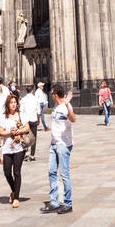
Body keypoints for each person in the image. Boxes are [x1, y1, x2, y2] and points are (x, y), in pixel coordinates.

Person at [42, 84, 75, 215]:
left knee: (64, 174)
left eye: (52, 94)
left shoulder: (66, 106)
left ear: (55, 95)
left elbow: (73, 119)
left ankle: (68, 203)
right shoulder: (56, 106)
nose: (51, 96)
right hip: (54, 144)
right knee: (51, 171)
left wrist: (67, 105)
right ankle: (54, 201)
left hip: (64, 144)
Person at [0, 90, 27, 208]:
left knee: (17, 172)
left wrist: (19, 131)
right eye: (11, 102)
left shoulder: (21, 115)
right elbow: (0, 132)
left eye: (15, 102)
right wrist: (10, 132)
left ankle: (17, 198)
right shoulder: (3, 117)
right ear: (8, 104)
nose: (14, 104)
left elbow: (27, 127)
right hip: (7, 148)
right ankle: (14, 190)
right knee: (7, 172)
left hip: (19, 148)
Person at [19, 85, 41, 160]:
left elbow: (21, 111)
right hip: (34, 120)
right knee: (34, 137)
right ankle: (32, 155)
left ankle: (26, 153)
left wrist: (22, 121)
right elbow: (38, 111)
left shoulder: (23, 100)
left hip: (26, 121)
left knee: (25, 137)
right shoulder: (35, 99)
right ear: (32, 91)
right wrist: (39, 120)